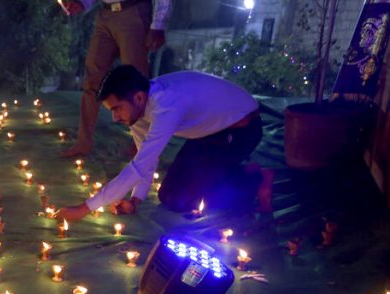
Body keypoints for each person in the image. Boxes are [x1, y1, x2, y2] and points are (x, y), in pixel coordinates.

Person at [57, 65, 273, 222]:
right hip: (208, 133)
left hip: (241, 128)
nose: (115, 118)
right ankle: (228, 170)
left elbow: (139, 167)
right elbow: (145, 159)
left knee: (206, 197)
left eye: (117, 109)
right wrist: (136, 200)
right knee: (170, 197)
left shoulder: (167, 106)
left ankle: (253, 178)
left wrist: (85, 208)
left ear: (139, 98)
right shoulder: (137, 111)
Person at [60, 0, 171, 159]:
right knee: (93, 77)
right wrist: (83, 3)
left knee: (135, 82)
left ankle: (140, 143)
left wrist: (158, 24)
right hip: (105, 15)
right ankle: (83, 142)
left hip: (132, 11)